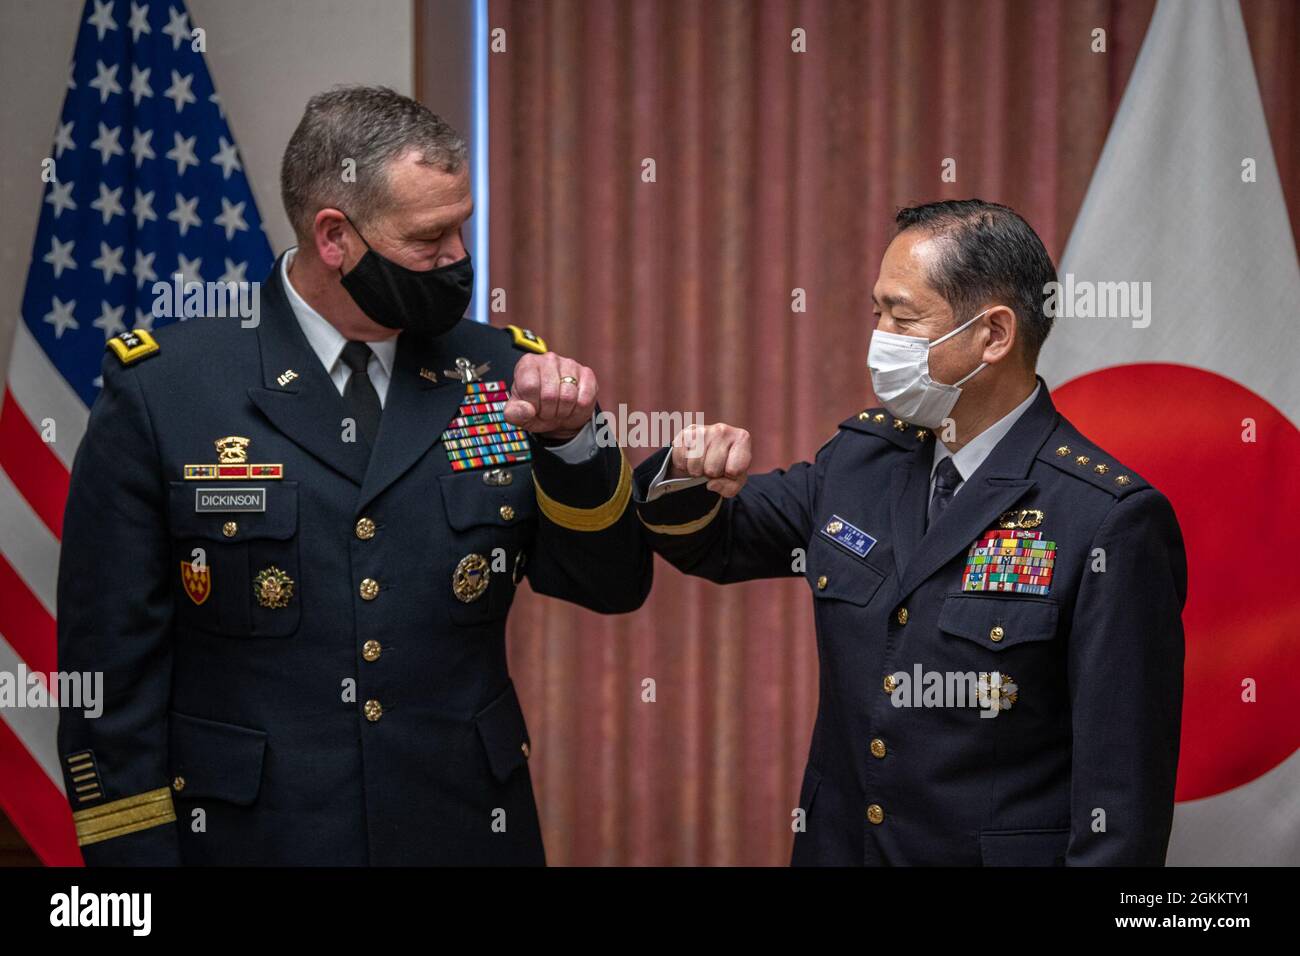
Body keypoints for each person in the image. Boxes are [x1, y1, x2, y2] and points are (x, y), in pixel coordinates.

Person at [57, 86, 651, 865]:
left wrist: (574, 444)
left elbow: (611, 587)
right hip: (252, 839)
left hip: (463, 829)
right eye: (429, 237)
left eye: (461, 229)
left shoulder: (501, 374)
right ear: (333, 236)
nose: (458, 260)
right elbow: (108, 679)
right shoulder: (168, 390)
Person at [633, 199, 1186, 866]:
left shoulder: (1105, 517)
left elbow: (1120, 811)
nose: (880, 336)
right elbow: (714, 542)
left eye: (903, 315)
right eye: (878, 312)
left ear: (994, 335)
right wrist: (685, 471)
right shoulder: (862, 459)